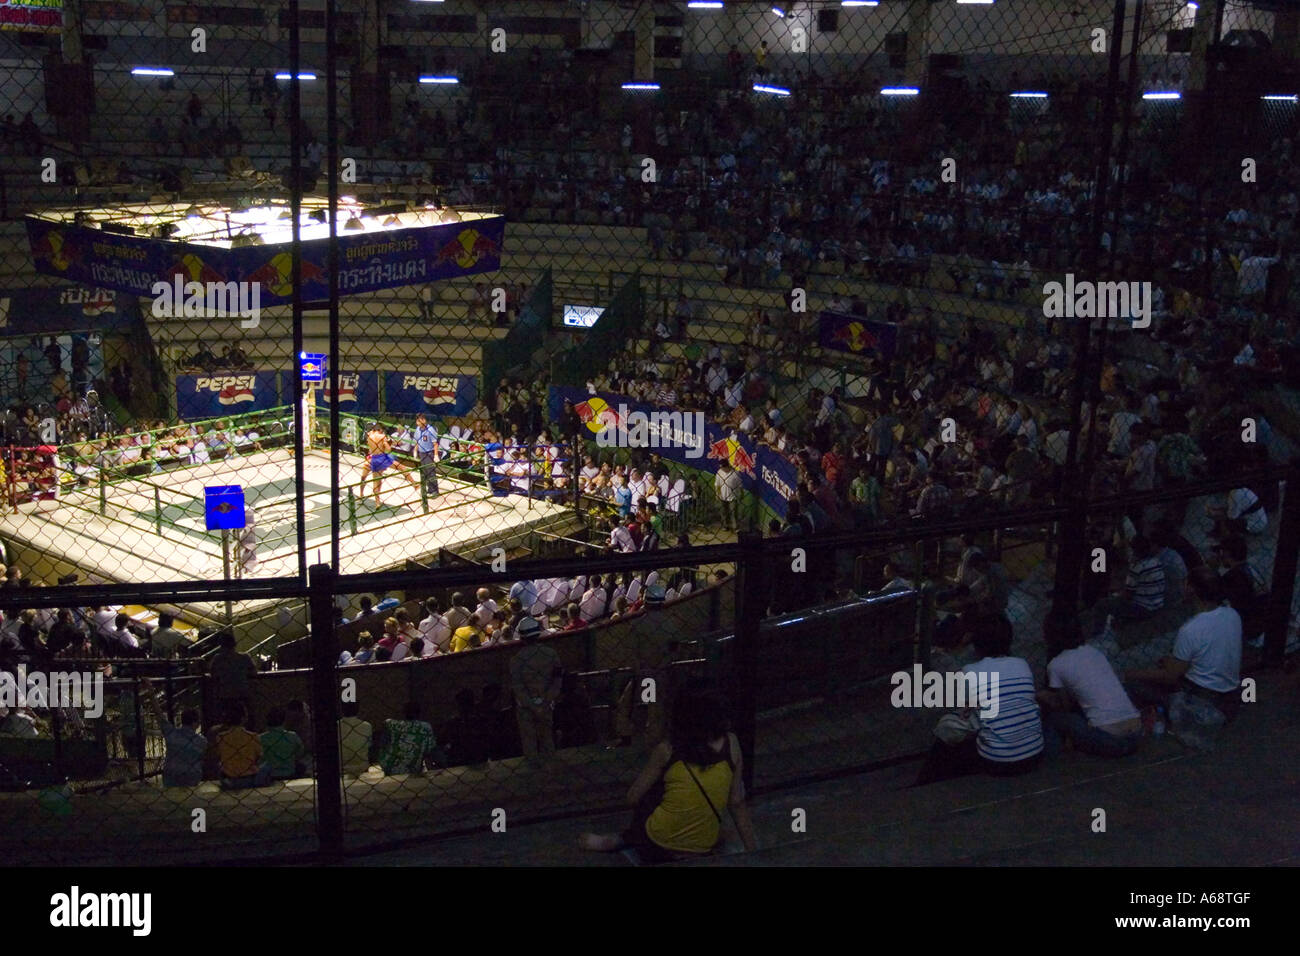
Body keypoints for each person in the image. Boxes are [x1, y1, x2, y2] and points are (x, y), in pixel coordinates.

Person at [580, 682, 757, 860]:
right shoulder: (731, 743)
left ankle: (623, 839)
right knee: (716, 823)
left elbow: (632, 797)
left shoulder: (667, 750)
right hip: (702, 847)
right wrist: (753, 851)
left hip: (656, 845)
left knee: (655, 790)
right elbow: (736, 802)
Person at [914, 614, 1044, 784]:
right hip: (1035, 754)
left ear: (976, 644)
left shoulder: (970, 671)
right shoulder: (1022, 664)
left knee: (950, 727)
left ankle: (926, 782)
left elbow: (963, 711)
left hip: (999, 762)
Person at [1125, 567, 1243, 723]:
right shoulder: (1232, 614)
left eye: (1186, 583)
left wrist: (1131, 674)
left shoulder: (1190, 629)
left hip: (1202, 703)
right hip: (1230, 700)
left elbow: (1170, 677)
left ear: (1191, 589)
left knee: (1134, 685)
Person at [1037, 614, 1141, 757]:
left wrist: (1044, 697)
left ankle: (1053, 755)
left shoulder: (1055, 664)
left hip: (1110, 741)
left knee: (1056, 719)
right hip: (1137, 733)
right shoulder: (1094, 651)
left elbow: (1065, 706)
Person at [508, 616, 562, 756]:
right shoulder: (551, 654)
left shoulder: (517, 660)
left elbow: (517, 687)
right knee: (547, 739)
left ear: (522, 637)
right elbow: (557, 680)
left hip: (525, 707)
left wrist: (532, 705)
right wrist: (547, 700)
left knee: (529, 742)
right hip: (547, 703)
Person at [141, 679, 207, 787]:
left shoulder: (172, 733)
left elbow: (159, 714)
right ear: (195, 723)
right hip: (191, 777)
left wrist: (151, 694)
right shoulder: (201, 741)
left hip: (171, 776)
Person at [359, 424, 418, 506]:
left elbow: (370, 449)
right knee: (401, 467)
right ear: (380, 430)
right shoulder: (382, 436)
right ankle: (414, 483)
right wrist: (388, 443)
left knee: (371, 479)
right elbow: (388, 449)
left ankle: (370, 499)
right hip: (382, 458)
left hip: (372, 459)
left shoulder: (369, 435)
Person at [206, 630, 256, 719]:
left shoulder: (218, 659)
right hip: (242, 693)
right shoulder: (244, 657)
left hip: (225, 694)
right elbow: (253, 671)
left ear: (221, 646)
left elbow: (213, 673)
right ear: (234, 645)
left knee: (225, 719)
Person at [377, 702, 437, 775]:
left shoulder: (392, 724)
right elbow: (430, 749)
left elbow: (382, 742)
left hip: (389, 766)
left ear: (403, 713)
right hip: (413, 768)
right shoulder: (425, 727)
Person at [260, 707, 306, 781]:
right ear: (284, 720)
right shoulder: (292, 736)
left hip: (269, 773)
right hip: (289, 771)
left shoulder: (261, 738)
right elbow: (300, 752)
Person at [338, 700, 373, 776]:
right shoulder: (367, 726)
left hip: (341, 767)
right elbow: (369, 746)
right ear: (358, 709)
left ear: (342, 710)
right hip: (361, 766)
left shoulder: (336, 726)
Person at [413, 413, 440, 496]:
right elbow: (417, 441)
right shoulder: (418, 429)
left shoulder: (430, 430)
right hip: (422, 453)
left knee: (430, 471)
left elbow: (435, 444)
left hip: (429, 453)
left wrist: (436, 455)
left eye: (419, 420)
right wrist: (415, 451)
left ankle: (435, 491)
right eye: (417, 421)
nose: (418, 423)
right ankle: (430, 489)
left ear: (424, 420)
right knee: (425, 472)